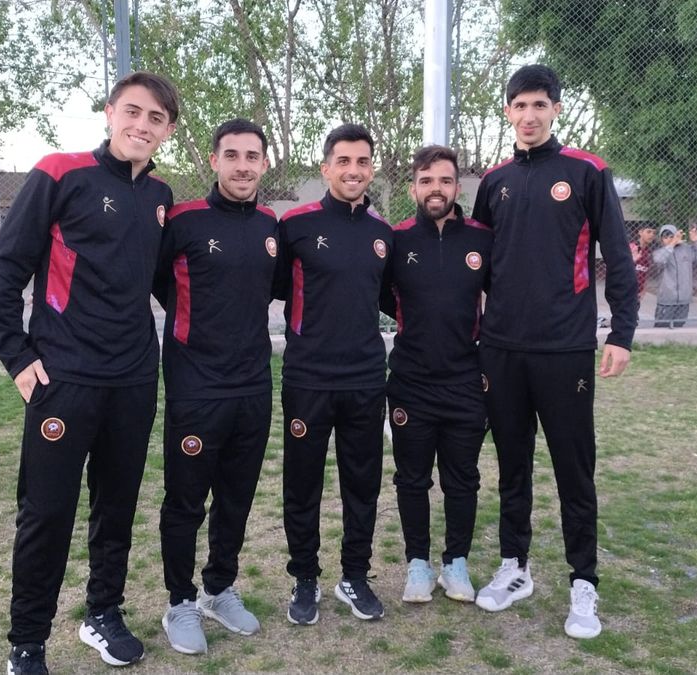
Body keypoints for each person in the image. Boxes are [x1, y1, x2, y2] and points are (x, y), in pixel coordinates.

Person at [0, 71, 179, 674]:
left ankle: (103, 613)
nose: (142, 126)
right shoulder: (59, 172)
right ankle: (27, 642)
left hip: (133, 382)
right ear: (108, 112)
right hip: (63, 380)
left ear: (168, 130)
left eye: (156, 119)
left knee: (116, 507)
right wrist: (19, 359)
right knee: (46, 513)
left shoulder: (161, 198)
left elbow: (165, 285)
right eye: (133, 112)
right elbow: (4, 271)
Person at [470, 64, 637, 639]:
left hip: (565, 349)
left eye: (539, 104)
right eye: (519, 105)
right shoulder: (493, 183)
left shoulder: (586, 172)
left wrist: (620, 335)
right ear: (508, 112)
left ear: (555, 110)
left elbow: (617, 254)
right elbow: (478, 268)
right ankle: (515, 568)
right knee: (512, 466)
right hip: (501, 349)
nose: (529, 115)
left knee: (573, 469)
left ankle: (583, 584)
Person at [155, 119, 277, 655]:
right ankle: (179, 601)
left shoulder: (272, 226)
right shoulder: (181, 221)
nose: (243, 165)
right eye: (232, 155)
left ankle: (219, 589)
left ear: (265, 163)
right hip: (195, 388)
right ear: (214, 160)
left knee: (237, 498)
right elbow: (159, 284)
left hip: (253, 387)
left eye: (253, 156)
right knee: (186, 501)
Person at [275, 124, 393, 625]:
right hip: (308, 379)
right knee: (302, 484)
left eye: (362, 162)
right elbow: (275, 287)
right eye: (343, 161)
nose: (353, 170)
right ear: (326, 168)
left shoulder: (383, 234)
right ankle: (305, 578)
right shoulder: (295, 226)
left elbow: (391, 298)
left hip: (366, 379)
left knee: (361, 483)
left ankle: (354, 576)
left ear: (371, 169)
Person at [381, 145, 492, 604]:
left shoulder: (483, 239)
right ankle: (418, 565)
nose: (436, 189)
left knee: (462, 477)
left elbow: (499, 297)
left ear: (457, 188)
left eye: (445, 181)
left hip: (467, 380)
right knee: (412, 478)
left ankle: (457, 564)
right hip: (411, 380)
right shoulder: (397, 238)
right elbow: (383, 296)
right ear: (414, 188)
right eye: (426, 181)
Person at [652, 224, 697, 328]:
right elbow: (659, 260)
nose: (669, 238)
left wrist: (696, 241)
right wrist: (672, 244)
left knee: (678, 328)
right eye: (665, 236)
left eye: (672, 235)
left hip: (684, 299)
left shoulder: (687, 249)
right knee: (661, 328)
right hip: (666, 301)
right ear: (661, 239)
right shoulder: (660, 252)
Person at [629, 224, 656, 300]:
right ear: (640, 232)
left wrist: (643, 290)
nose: (652, 235)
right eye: (649, 232)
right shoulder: (631, 247)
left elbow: (645, 273)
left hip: (638, 292)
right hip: (626, 289)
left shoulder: (649, 252)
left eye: (654, 233)